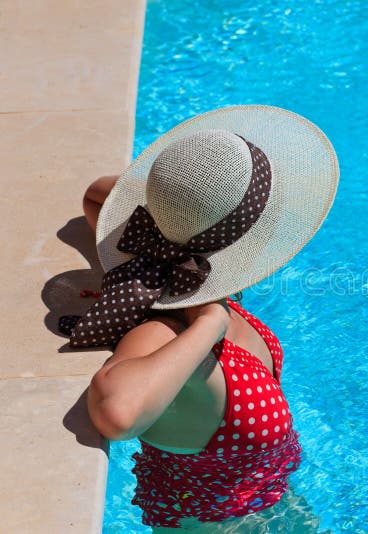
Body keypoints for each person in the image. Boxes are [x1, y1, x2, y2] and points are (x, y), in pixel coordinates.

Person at [67, 106, 339, 531]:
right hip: (211, 524)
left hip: (267, 497)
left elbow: (96, 196)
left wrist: (176, 210)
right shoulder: (169, 331)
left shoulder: (196, 287)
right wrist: (209, 322)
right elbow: (116, 414)